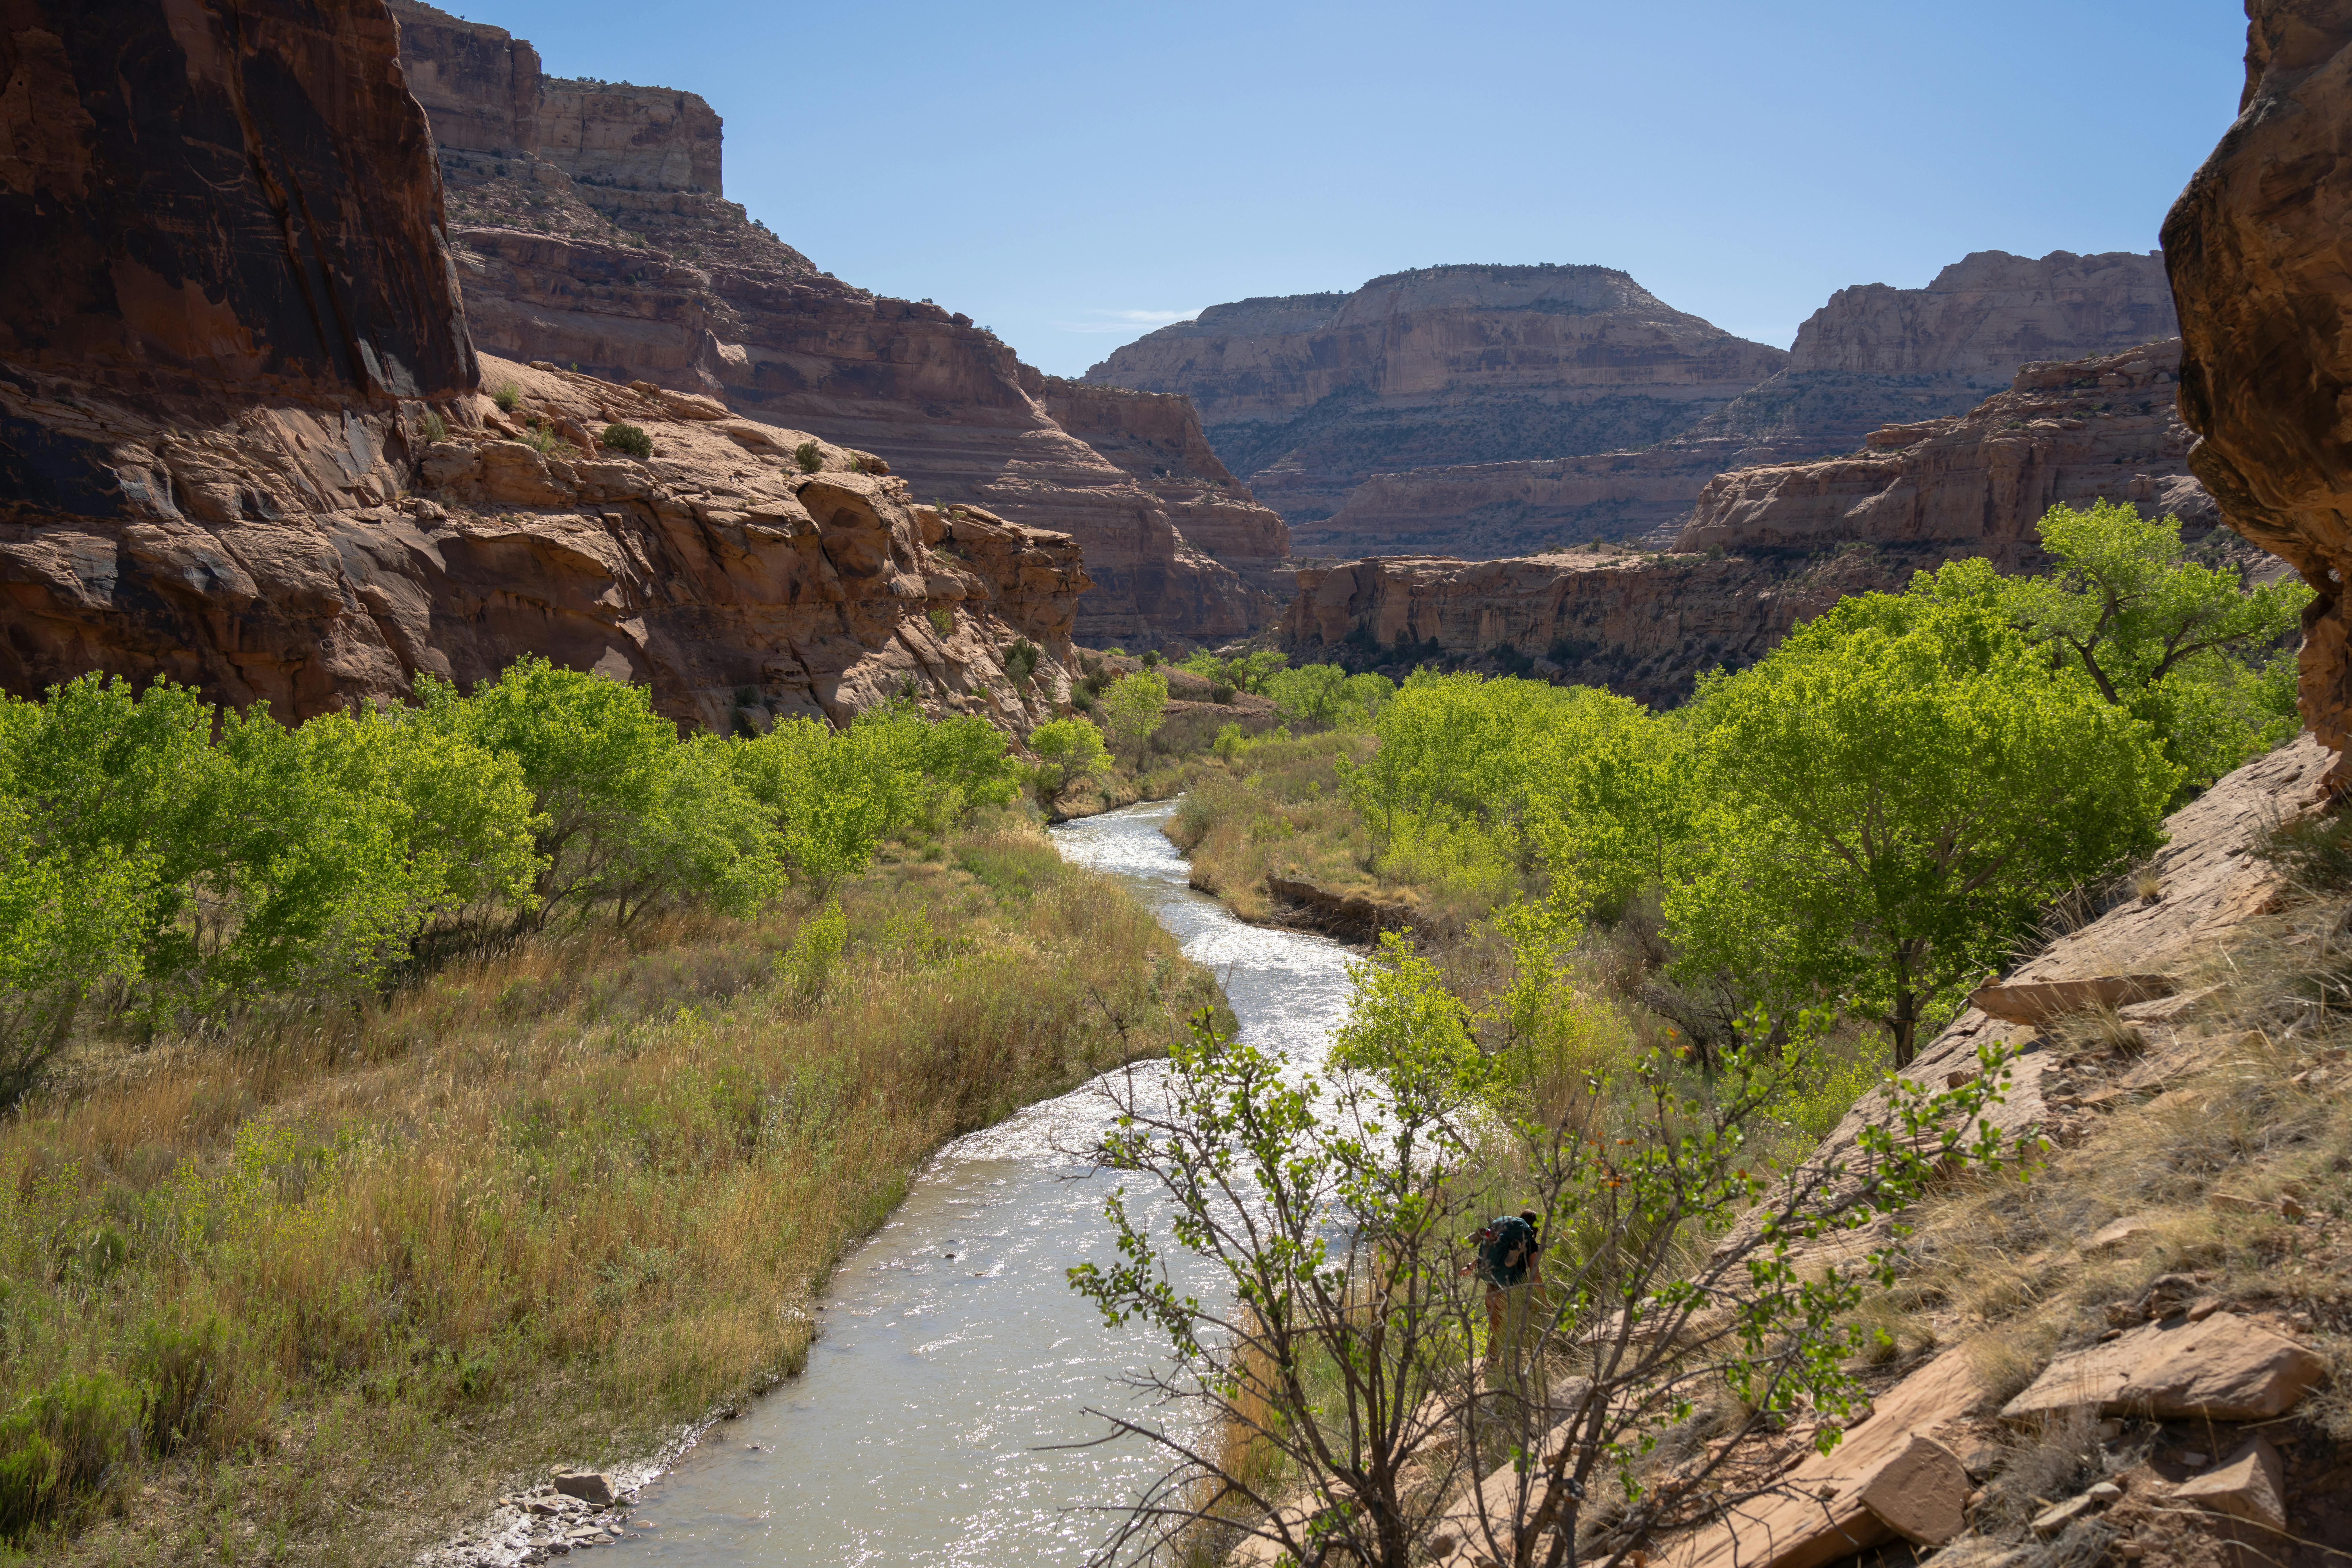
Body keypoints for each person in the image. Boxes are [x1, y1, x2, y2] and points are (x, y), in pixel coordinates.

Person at [1471, 1209, 1543, 1358]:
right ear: (1535, 1228)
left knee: (1498, 1332)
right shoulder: (1529, 1241)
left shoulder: (1505, 1233)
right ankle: (1513, 1365)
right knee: (1517, 1329)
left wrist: (1471, 1266)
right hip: (1508, 1293)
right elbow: (1536, 1277)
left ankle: (1492, 1364)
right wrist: (1545, 1302)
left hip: (1491, 1290)